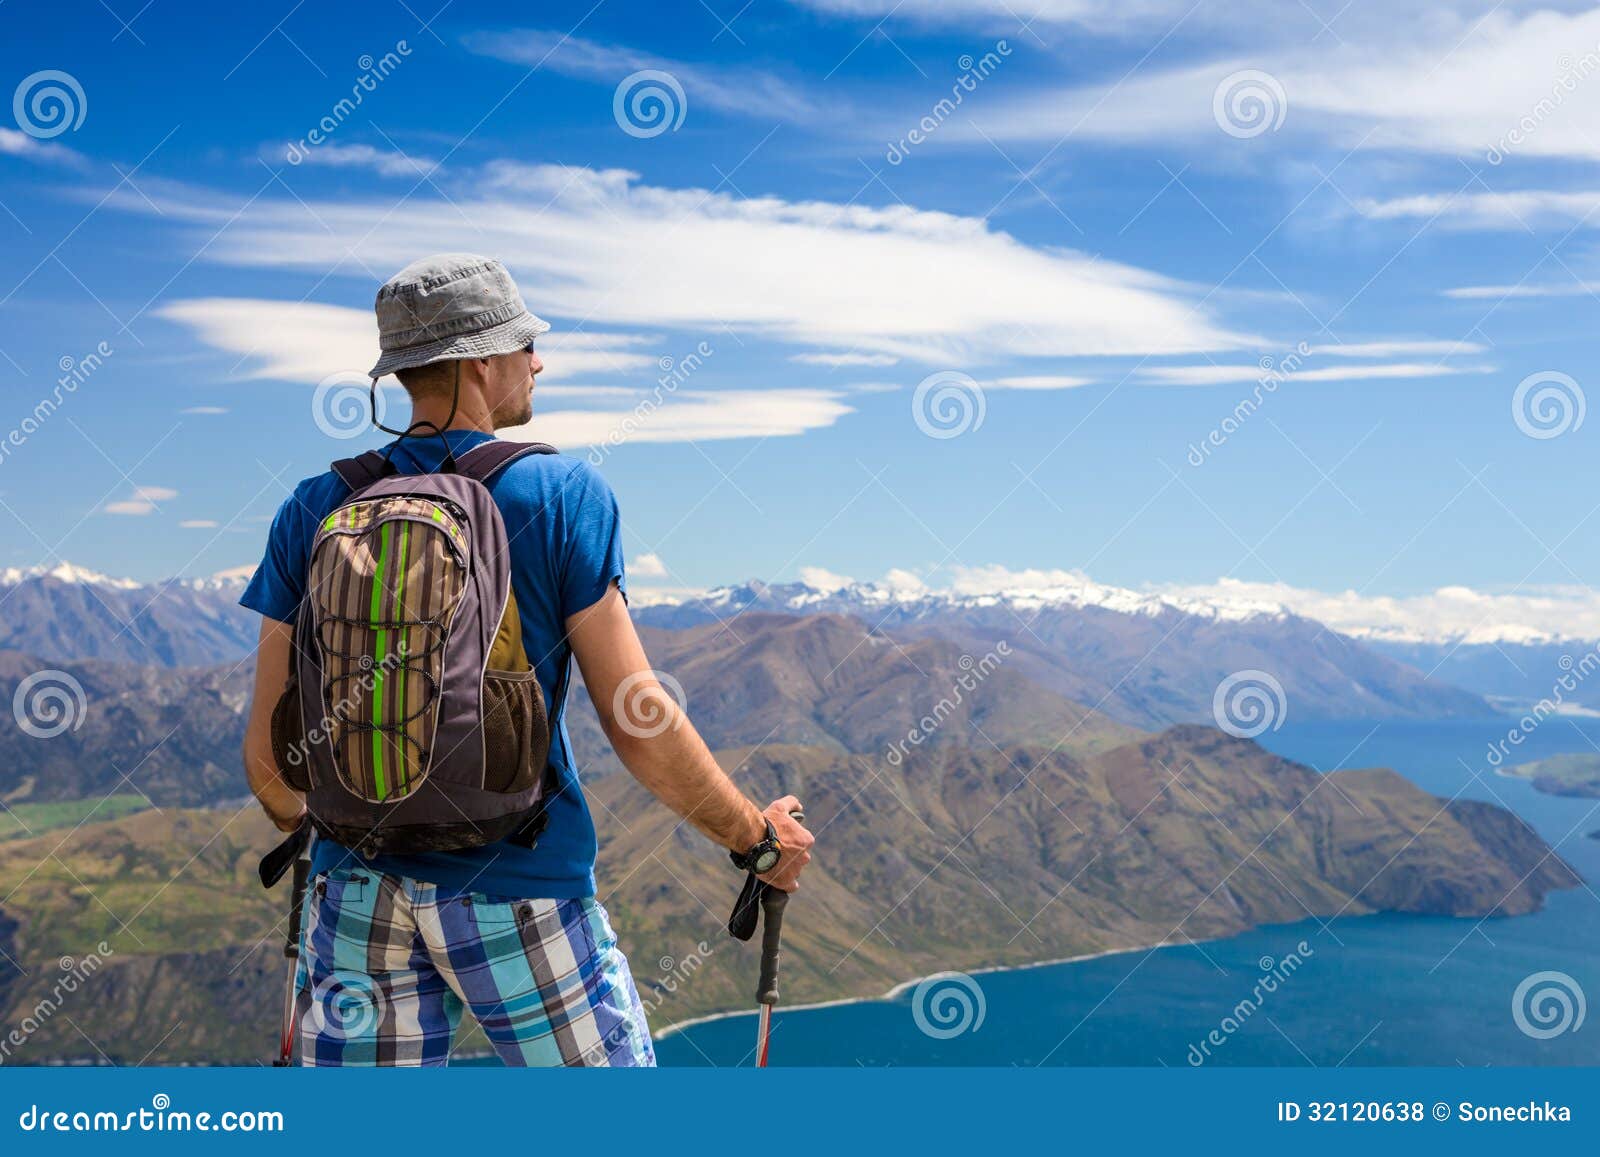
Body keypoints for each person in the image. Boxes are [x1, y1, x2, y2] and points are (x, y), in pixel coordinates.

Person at [238, 253, 813, 1066]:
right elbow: (637, 718)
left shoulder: (312, 507)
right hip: (519, 892)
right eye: (524, 344)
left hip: (355, 898)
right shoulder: (562, 494)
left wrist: (341, 818)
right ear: (481, 361)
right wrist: (754, 837)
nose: (537, 361)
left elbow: (268, 760)